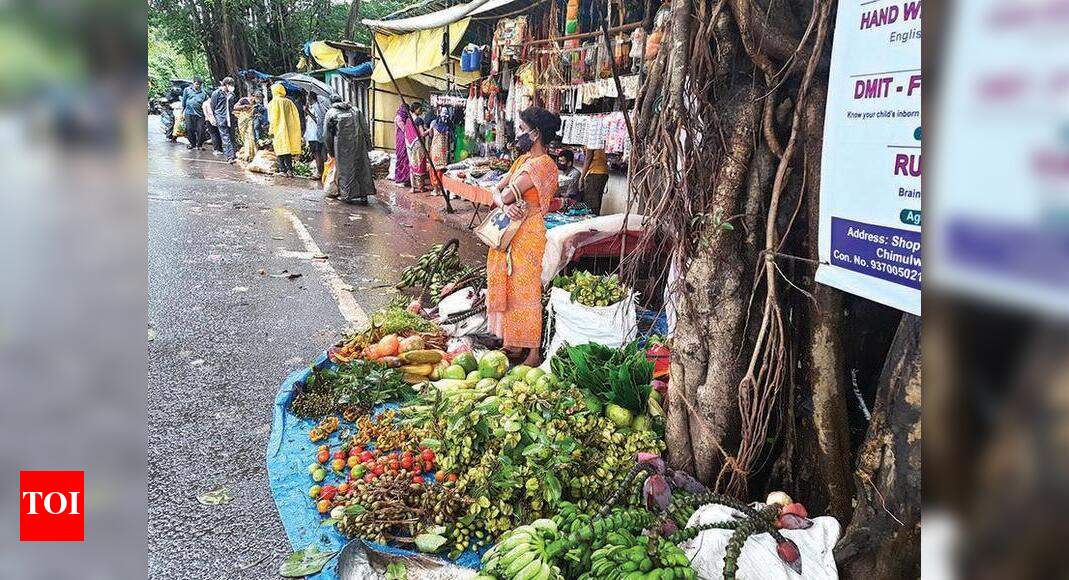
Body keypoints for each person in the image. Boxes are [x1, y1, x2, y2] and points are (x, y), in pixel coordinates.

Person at [486, 106, 561, 367]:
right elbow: (496, 190)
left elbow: (505, 194)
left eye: (521, 128)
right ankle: (513, 343)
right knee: (509, 287)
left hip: (528, 234)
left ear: (535, 133)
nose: (517, 133)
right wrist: (505, 204)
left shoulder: (542, 165)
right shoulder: (523, 161)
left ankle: (533, 353)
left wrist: (504, 201)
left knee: (526, 292)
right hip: (512, 232)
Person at [324, 95, 376, 204]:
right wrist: (369, 144)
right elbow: (365, 128)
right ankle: (364, 195)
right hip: (359, 144)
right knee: (362, 168)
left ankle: (346, 195)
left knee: (345, 170)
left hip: (342, 146)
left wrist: (330, 151)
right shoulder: (355, 110)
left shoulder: (331, 113)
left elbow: (327, 134)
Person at [268, 83, 302, 177]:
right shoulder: (289, 102)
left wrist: (271, 130)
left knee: (279, 150)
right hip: (289, 129)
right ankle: (290, 170)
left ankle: (282, 170)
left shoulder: (273, 103)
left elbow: (272, 118)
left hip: (278, 129)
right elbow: (295, 116)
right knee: (287, 150)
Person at [210, 77, 238, 162]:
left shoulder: (232, 94)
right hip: (221, 118)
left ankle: (233, 155)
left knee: (232, 136)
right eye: (231, 85)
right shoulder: (216, 93)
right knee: (225, 137)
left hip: (230, 118)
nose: (232, 87)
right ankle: (229, 157)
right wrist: (216, 117)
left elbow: (232, 106)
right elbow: (213, 106)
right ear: (226, 84)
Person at [402, 102, 428, 193]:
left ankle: (413, 187)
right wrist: (431, 129)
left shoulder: (408, 120)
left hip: (409, 144)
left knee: (412, 164)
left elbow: (406, 133)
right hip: (418, 144)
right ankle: (421, 187)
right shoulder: (418, 120)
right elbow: (422, 134)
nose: (421, 111)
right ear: (415, 109)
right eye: (420, 109)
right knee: (420, 164)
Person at [305, 93, 330, 178]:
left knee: (317, 153)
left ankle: (320, 173)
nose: (307, 99)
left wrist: (308, 112)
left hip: (315, 134)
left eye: (308, 97)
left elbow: (318, 121)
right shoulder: (314, 106)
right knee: (319, 153)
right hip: (313, 134)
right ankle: (322, 172)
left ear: (311, 98)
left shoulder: (317, 107)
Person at [180, 77, 209, 150]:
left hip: (200, 114)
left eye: (199, 84)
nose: (197, 86)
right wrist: (181, 113)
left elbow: (207, 103)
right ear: (193, 83)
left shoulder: (203, 92)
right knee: (189, 129)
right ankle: (192, 144)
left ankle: (199, 145)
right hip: (189, 113)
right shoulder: (187, 90)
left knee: (201, 129)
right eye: (196, 84)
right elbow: (184, 102)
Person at [580, 146, 609, 214]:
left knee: (590, 204)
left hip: (595, 173)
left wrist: (581, 178)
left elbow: (588, 158)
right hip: (602, 173)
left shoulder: (592, 140)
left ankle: (590, 221)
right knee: (596, 202)